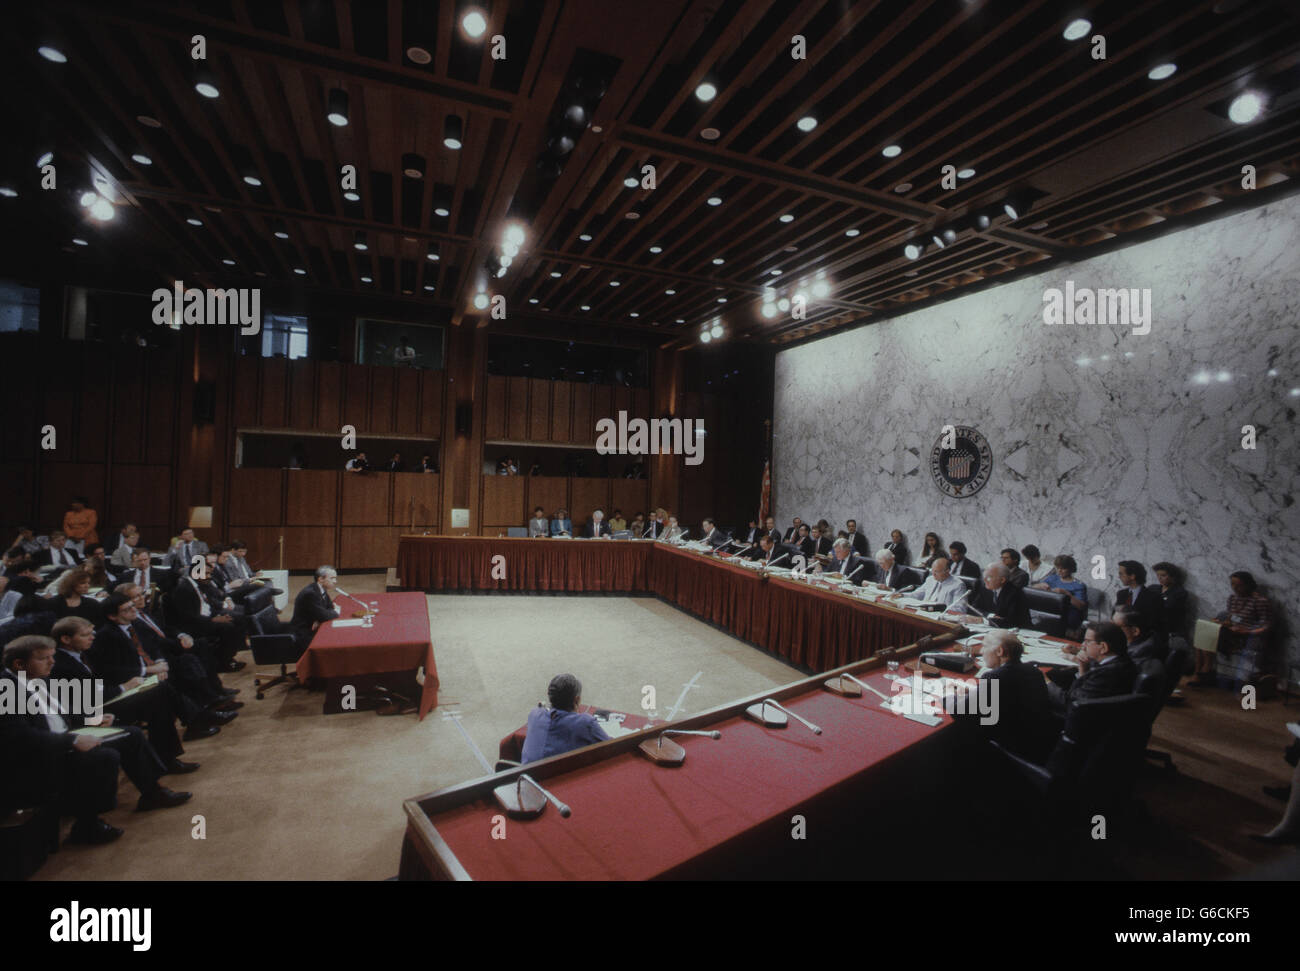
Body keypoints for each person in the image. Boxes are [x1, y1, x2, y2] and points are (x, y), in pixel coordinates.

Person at [1, 636, 191, 824]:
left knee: (131, 735)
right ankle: (87, 823)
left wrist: (92, 719)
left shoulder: (39, 678)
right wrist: (72, 741)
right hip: (40, 754)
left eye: (52, 656)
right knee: (104, 756)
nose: (52, 662)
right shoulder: (6, 690)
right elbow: (21, 736)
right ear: (19, 664)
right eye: (44, 658)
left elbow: (61, 714)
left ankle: (152, 793)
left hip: (64, 738)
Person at [963, 630, 1054, 762]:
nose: (981, 651)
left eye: (985, 646)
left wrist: (946, 698)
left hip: (1011, 749)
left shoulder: (993, 677)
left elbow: (965, 712)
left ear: (1000, 651)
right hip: (1040, 743)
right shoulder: (1034, 671)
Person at [1044, 621, 1136, 716]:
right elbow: (1080, 694)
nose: (1083, 645)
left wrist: (1045, 681)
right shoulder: (1121, 661)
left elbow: (1069, 703)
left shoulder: (1108, 674)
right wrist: (1083, 668)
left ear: (1103, 647)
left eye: (1087, 641)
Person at [520, 674, 610, 763]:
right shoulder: (584, 722)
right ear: (577, 700)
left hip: (527, 775)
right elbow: (613, 746)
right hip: (559, 776)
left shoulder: (534, 714)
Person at [1209, 571, 1274, 690]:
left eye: (1239, 585)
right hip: (1232, 630)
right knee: (1206, 631)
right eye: (1232, 585)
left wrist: (1247, 631)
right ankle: (1204, 671)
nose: (1235, 588)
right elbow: (1231, 618)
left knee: (1218, 635)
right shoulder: (1233, 598)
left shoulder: (1259, 601)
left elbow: (1266, 625)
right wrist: (1222, 622)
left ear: (1248, 585)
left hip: (1248, 634)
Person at [1031, 555, 1088, 635]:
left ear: (1071, 569)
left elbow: (1081, 606)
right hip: (1050, 610)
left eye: (1063, 568)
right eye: (1058, 568)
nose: (1059, 571)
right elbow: (1032, 589)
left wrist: (1066, 594)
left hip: (1068, 614)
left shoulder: (1079, 585)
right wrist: (1039, 586)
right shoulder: (1052, 578)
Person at [290, 566, 341, 649]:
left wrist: (319, 619)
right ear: (321, 579)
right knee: (334, 642)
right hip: (303, 633)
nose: (335, 581)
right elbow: (325, 615)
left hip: (311, 627)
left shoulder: (321, 588)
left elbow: (329, 607)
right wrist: (336, 612)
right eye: (332, 578)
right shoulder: (310, 594)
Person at [971, 564, 1030, 628]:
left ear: (1002, 580)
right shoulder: (986, 588)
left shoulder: (1015, 594)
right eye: (984, 576)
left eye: (989, 577)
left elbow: (1011, 622)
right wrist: (990, 615)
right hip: (992, 628)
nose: (985, 580)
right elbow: (974, 609)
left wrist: (983, 620)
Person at [1151, 561, 1190, 641]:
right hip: (1153, 629)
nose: (1159, 578)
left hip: (1171, 632)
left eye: (1163, 575)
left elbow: (1167, 609)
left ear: (1173, 577)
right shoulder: (1153, 588)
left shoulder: (1179, 592)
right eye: (1158, 575)